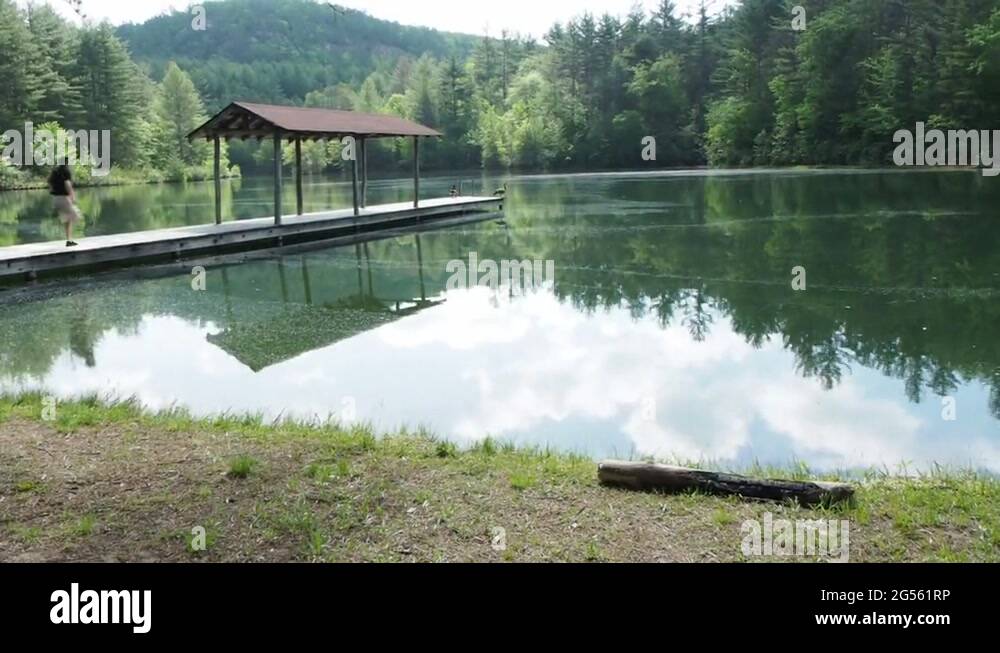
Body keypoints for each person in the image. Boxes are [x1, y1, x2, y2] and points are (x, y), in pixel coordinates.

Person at [48, 160, 81, 247]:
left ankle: (69, 240)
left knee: (67, 219)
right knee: (76, 215)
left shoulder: (54, 173)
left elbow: (50, 184)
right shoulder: (65, 171)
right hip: (63, 198)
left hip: (56, 198)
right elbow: (67, 184)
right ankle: (67, 238)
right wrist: (72, 196)